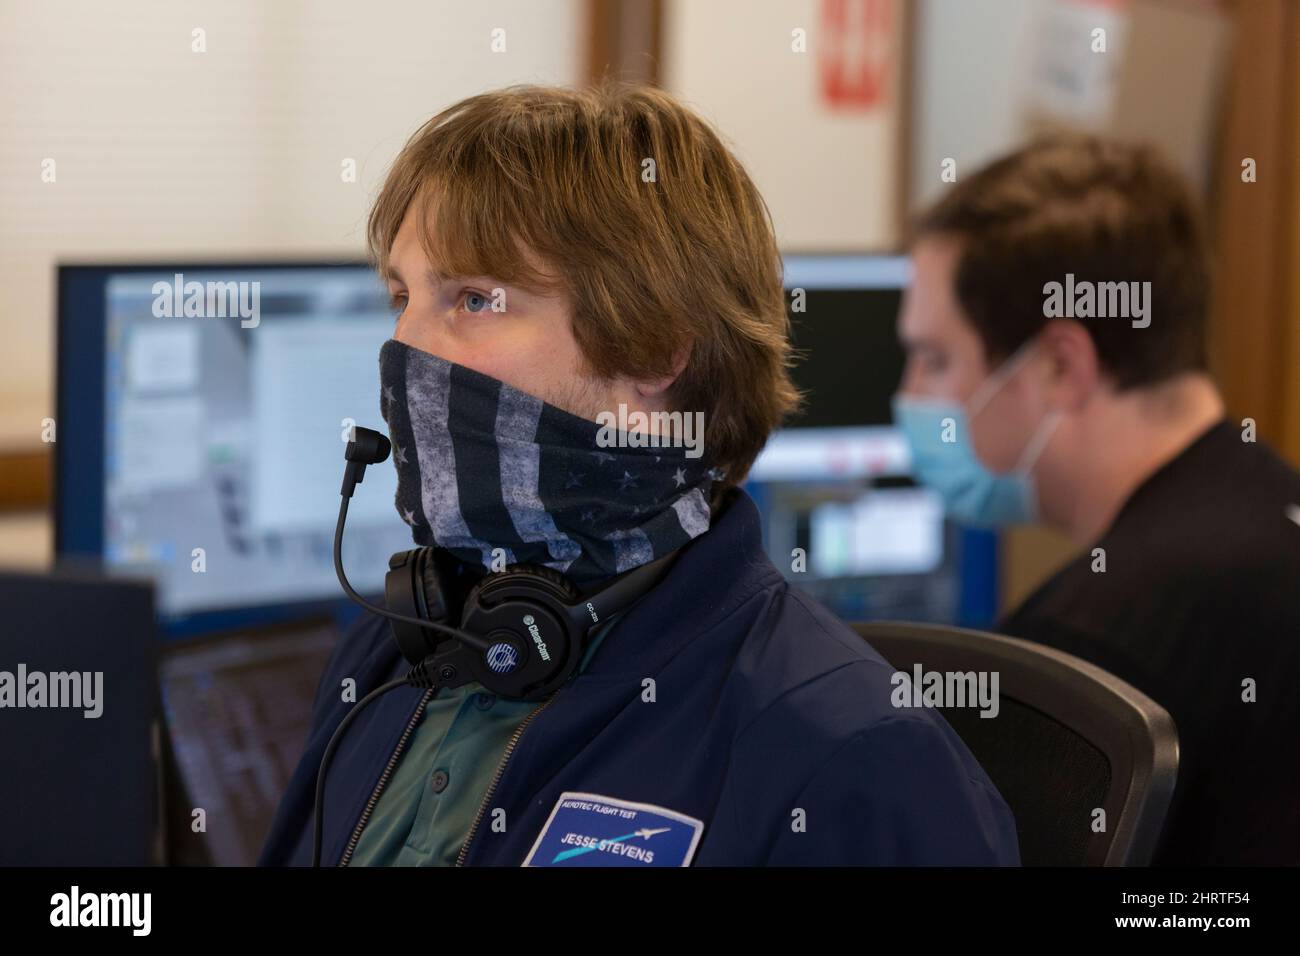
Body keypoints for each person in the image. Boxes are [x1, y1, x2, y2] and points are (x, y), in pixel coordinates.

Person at [258, 83, 1018, 867]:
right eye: (401, 297)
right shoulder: (392, 657)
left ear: (652, 349)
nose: (405, 347)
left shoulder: (848, 759)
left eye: (475, 298)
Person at [892, 134, 1300, 864]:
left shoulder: (1077, 666)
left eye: (934, 359)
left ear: (1059, 365)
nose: (910, 397)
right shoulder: (1275, 511)